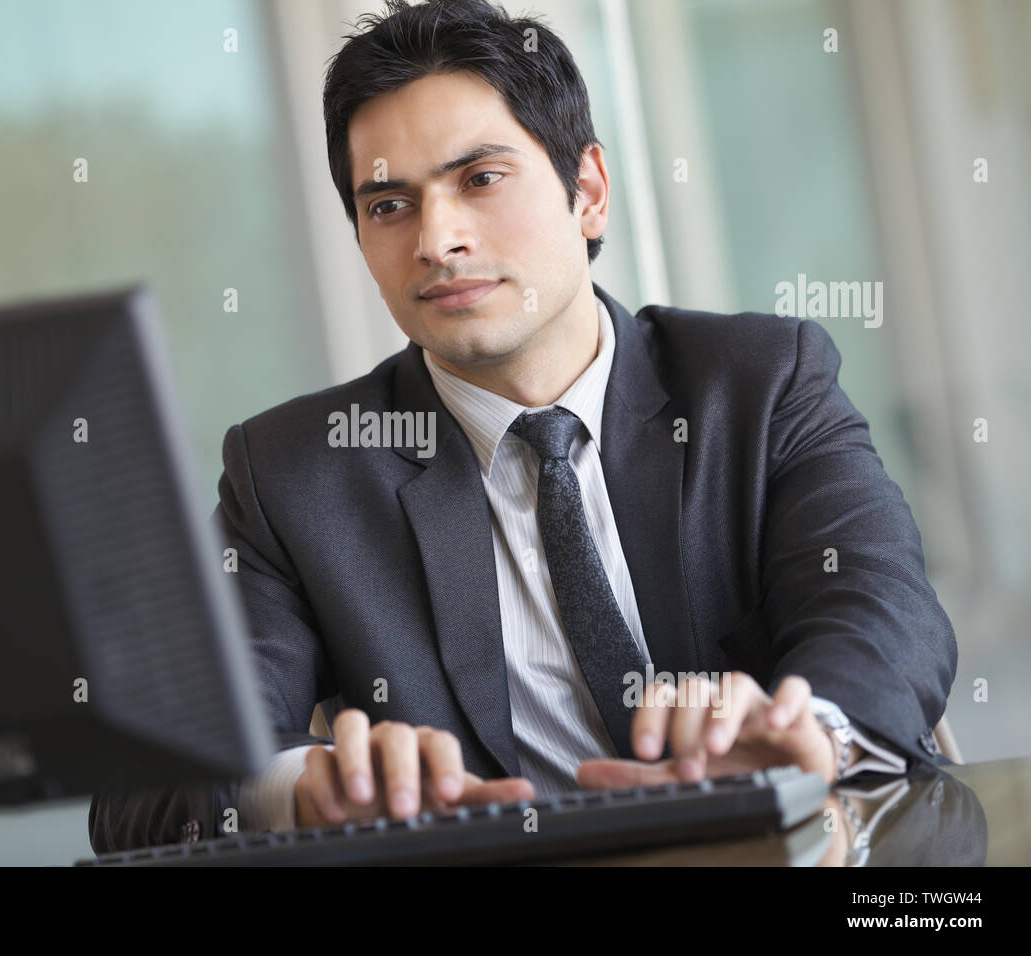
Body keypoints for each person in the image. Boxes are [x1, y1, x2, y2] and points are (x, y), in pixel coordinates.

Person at [89, 0, 955, 852]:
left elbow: (884, 614)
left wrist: (816, 736)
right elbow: (146, 789)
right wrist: (299, 790)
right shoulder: (292, 476)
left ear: (587, 191)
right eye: (389, 204)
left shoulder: (759, 383)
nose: (438, 239)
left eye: (480, 179)